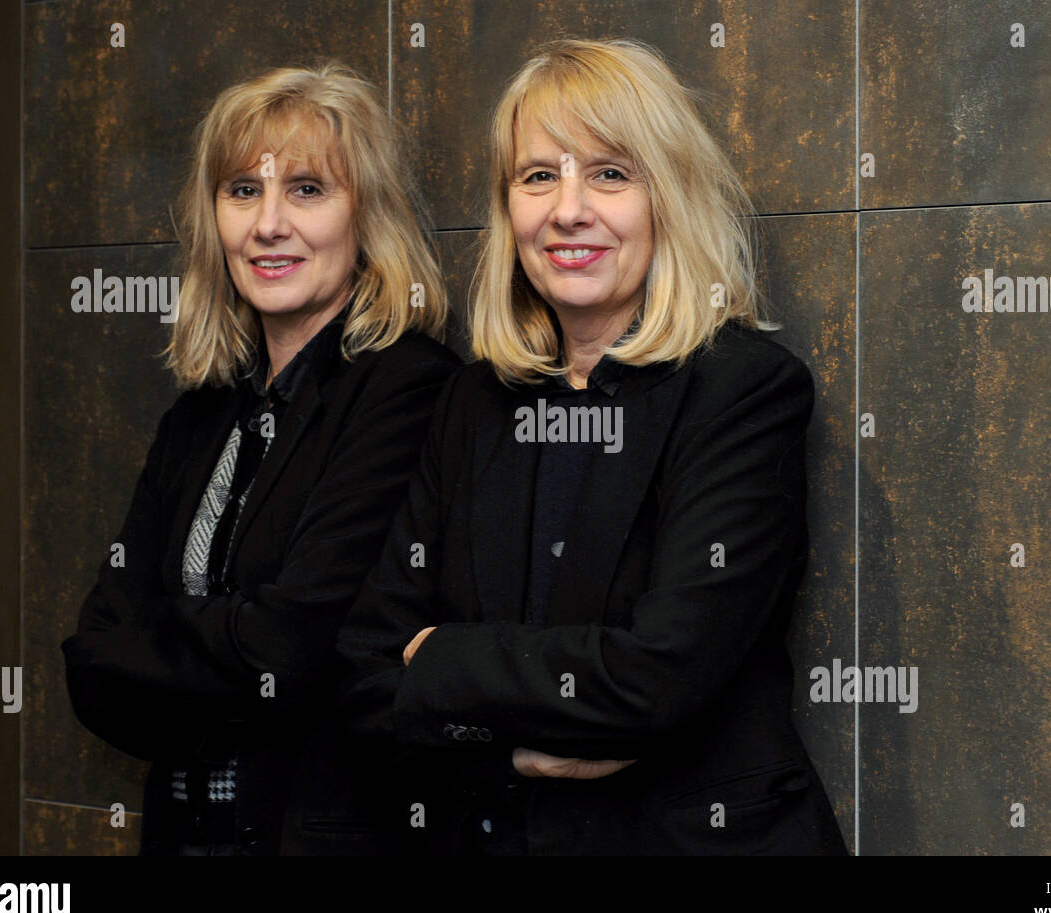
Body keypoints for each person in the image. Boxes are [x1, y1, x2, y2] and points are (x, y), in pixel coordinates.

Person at [334, 39, 847, 855]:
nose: (567, 209)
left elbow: (658, 679)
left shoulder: (742, 391)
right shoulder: (474, 401)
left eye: (610, 173)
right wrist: (509, 747)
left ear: (667, 198)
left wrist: (440, 661)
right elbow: (363, 671)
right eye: (539, 176)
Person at [61, 61, 459, 855]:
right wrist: (232, 637)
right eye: (243, 190)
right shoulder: (200, 413)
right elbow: (90, 658)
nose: (267, 224)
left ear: (366, 213)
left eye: (307, 189)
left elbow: (296, 652)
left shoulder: (410, 389)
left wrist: (170, 634)